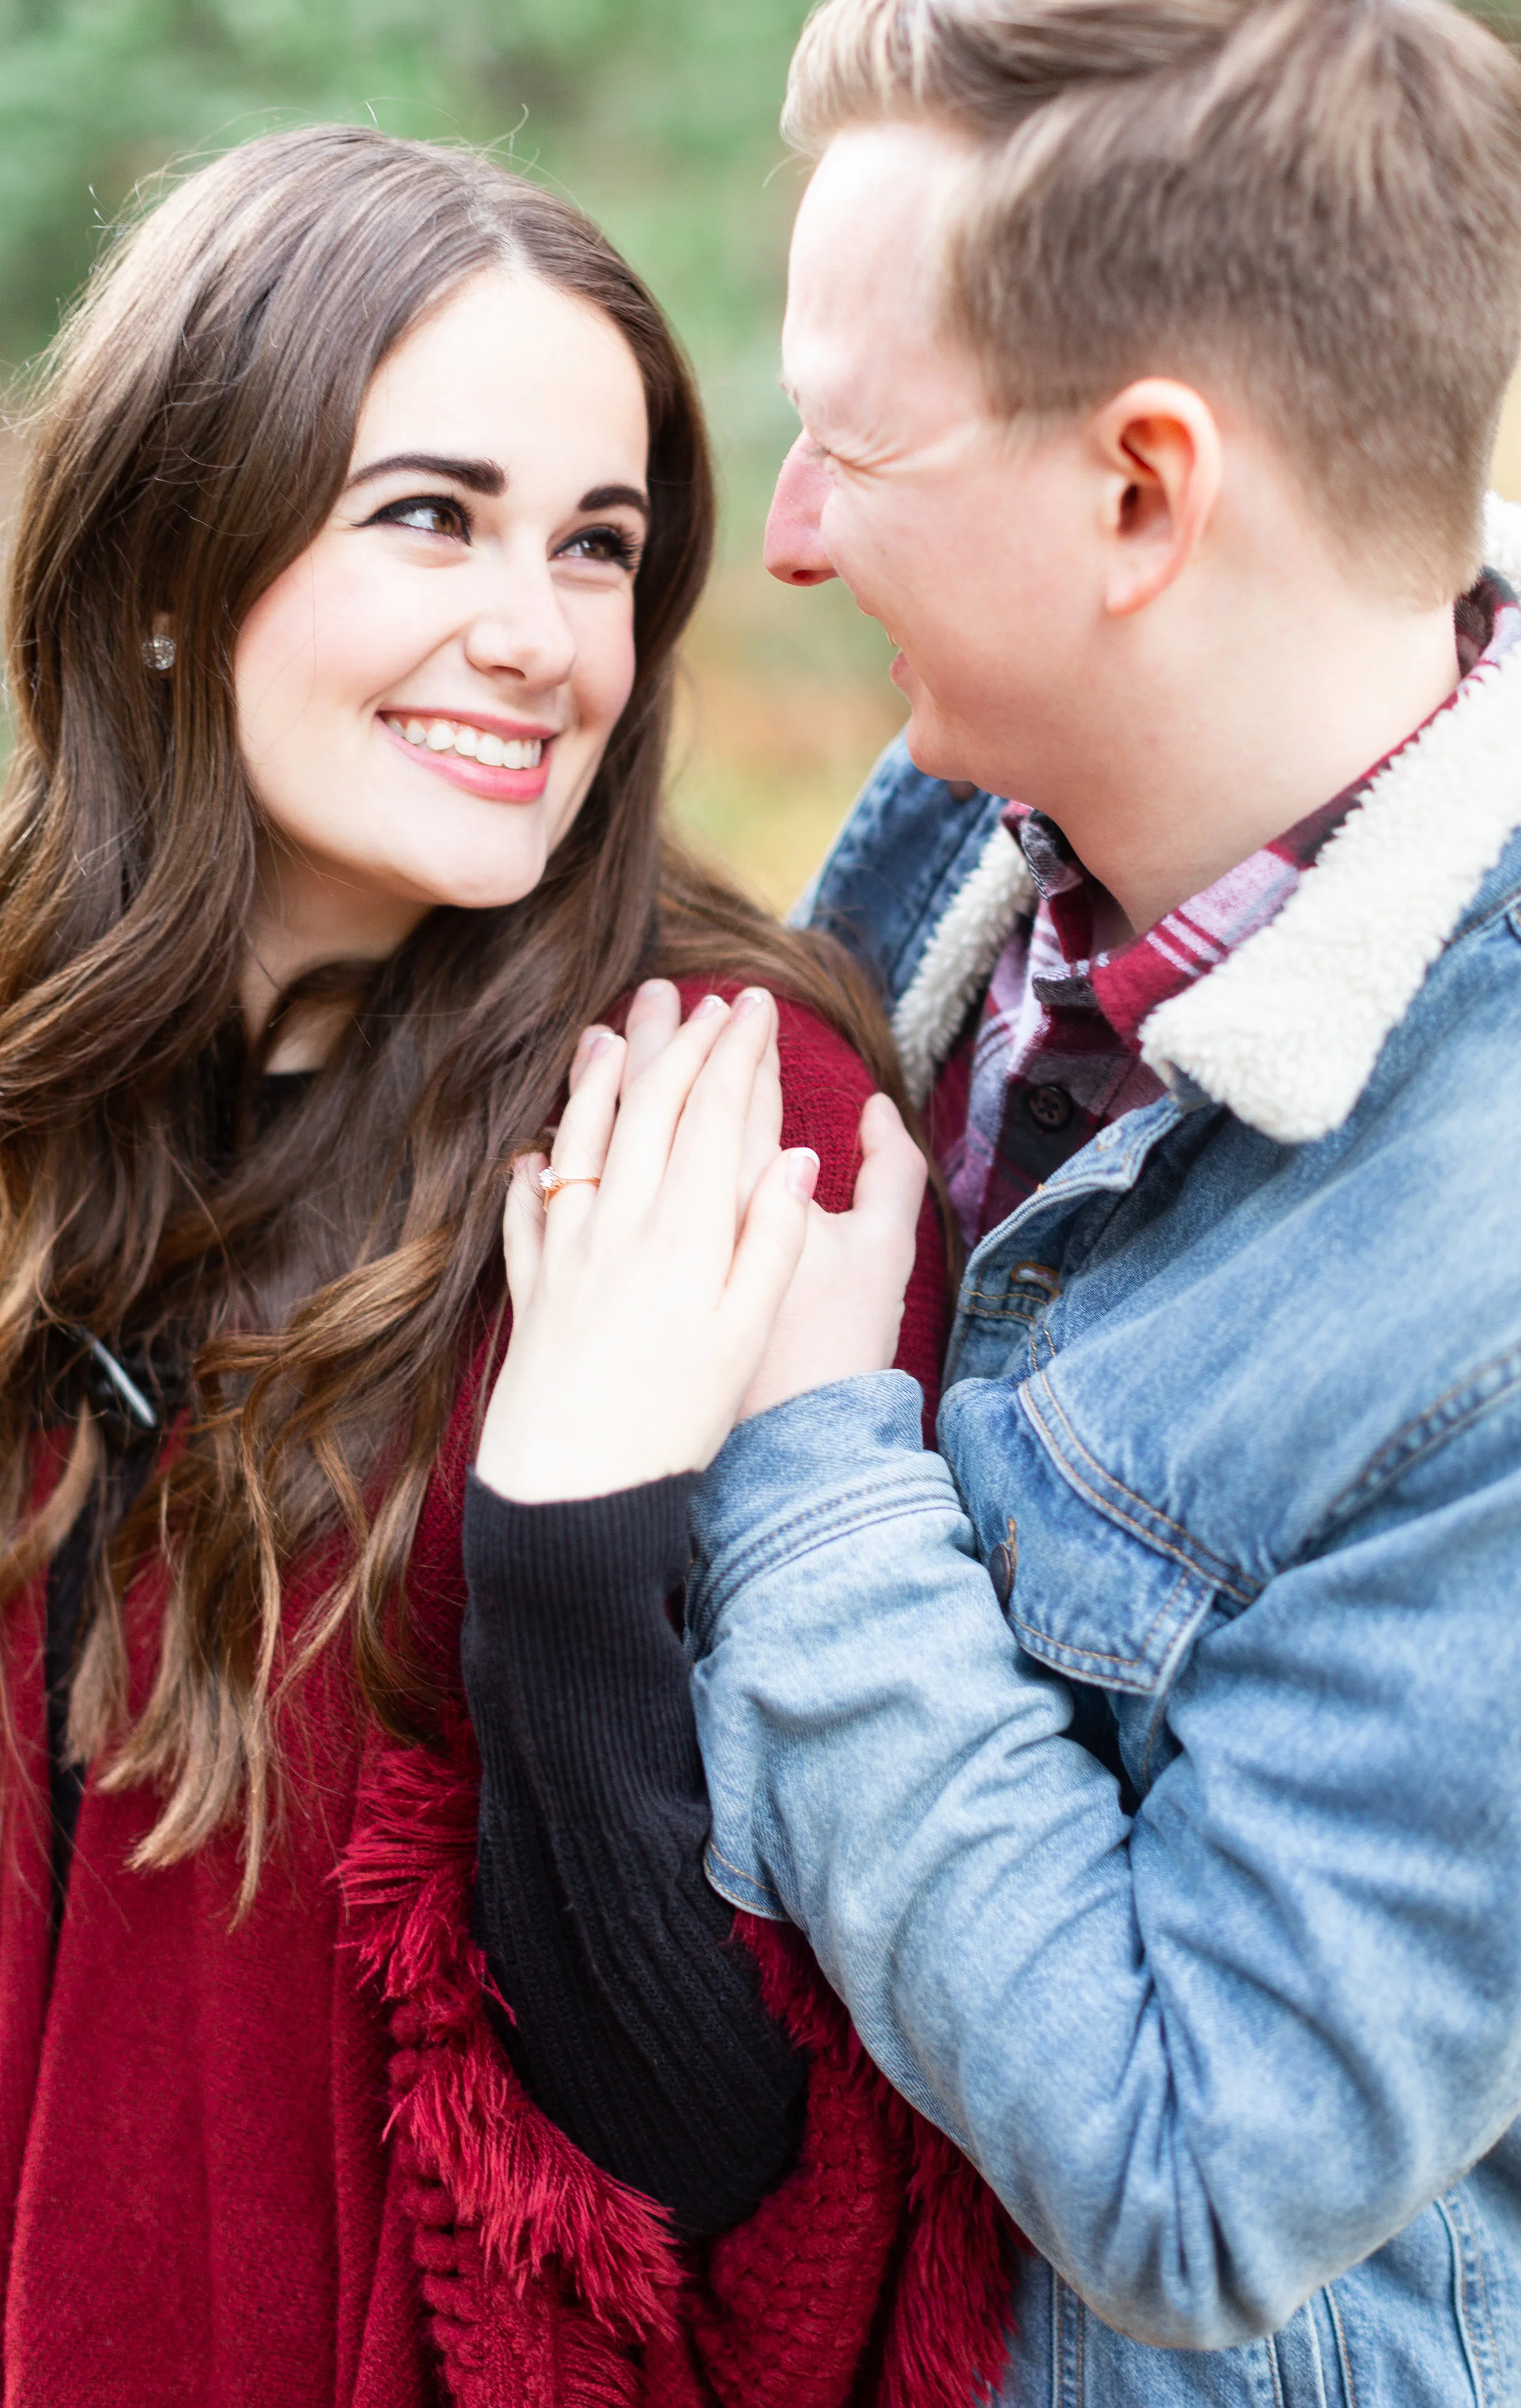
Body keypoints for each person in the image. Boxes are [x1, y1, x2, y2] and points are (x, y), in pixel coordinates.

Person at [490, 0, 1521, 2400]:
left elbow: (1195, 2182)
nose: (778, 535)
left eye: (849, 443)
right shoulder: (999, 823)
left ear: (1141, 497)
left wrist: (806, 1465)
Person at [0, 124, 1017, 2407]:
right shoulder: (40, 1111)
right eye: (430, 515)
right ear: (175, 551)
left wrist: (567, 1550)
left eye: (598, 547)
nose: (538, 634)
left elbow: (754, 2196)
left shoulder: (719, 1119)